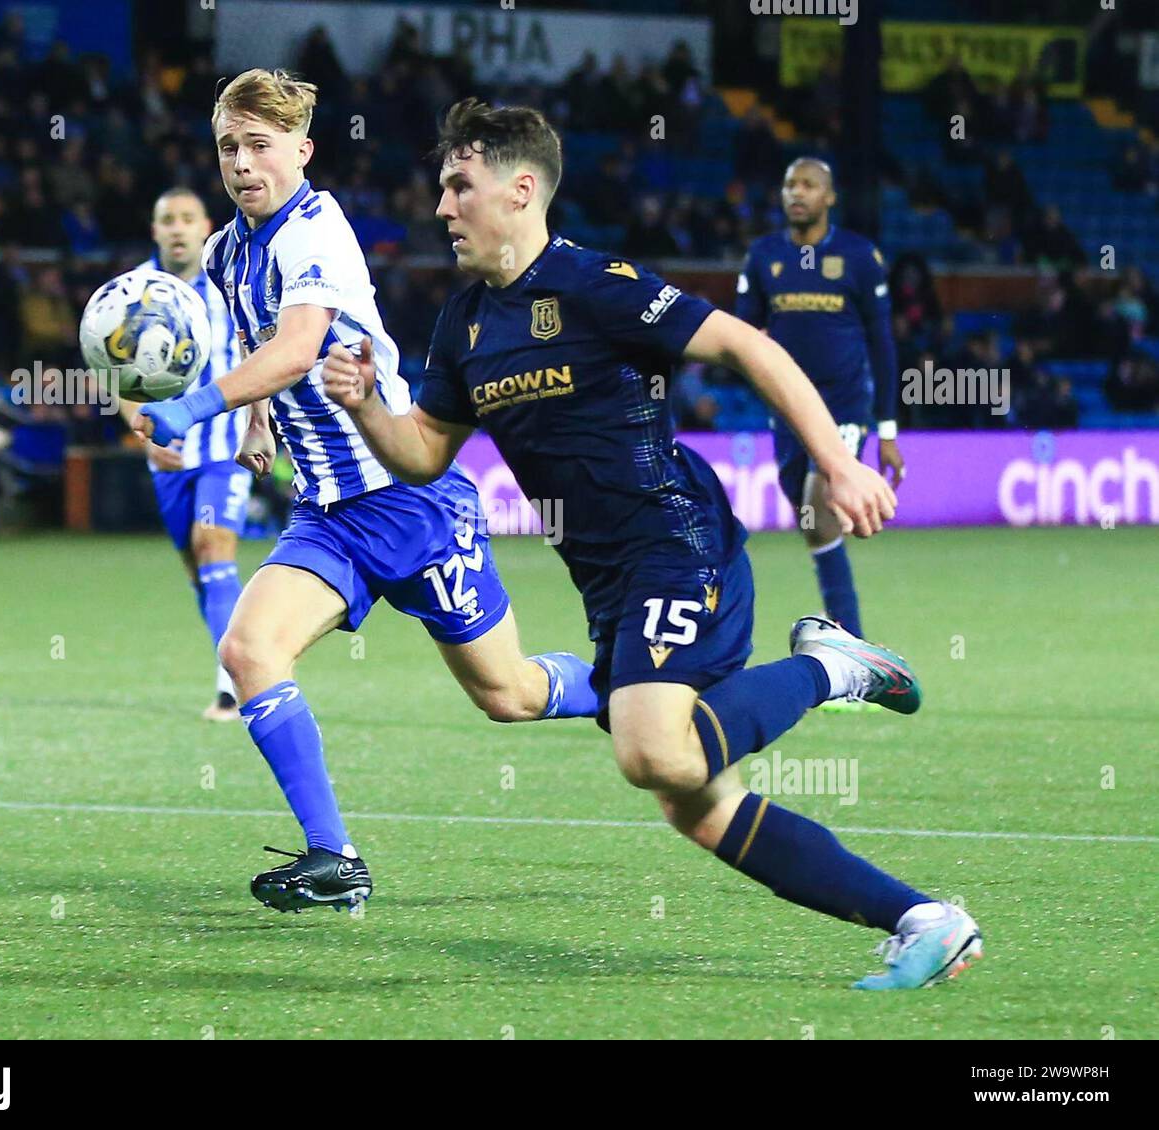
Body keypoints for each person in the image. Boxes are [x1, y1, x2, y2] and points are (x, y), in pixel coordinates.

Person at [321, 99, 982, 990]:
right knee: (696, 806)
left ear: (521, 190)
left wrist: (837, 462)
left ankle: (835, 667)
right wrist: (367, 405)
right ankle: (925, 919)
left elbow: (749, 345)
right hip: (608, 582)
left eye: (458, 186)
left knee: (651, 752)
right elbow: (424, 454)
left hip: (679, 542)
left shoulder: (598, 285)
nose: (442, 208)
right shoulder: (463, 324)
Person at [132, 71, 597, 914]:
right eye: (229, 147)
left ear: (301, 152)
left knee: (509, 695)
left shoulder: (318, 228)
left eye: (260, 146)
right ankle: (334, 857)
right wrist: (255, 423)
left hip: (407, 501)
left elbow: (301, 342)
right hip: (327, 516)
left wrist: (194, 406)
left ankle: (635, 685)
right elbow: (261, 342)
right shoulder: (230, 250)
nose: (241, 163)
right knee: (246, 653)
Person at [735, 159, 901, 681]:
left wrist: (888, 429)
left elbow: (882, 342)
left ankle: (851, 646)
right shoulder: (764, 257)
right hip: (786, 409)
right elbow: (741, 334)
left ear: (829, 197)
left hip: (846, 405)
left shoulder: (858, 257)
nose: (796, 193)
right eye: (789, 185)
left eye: (808, 186)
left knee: (817, 502)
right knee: (810, 522)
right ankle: (852, 642)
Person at [117, 187, 252, 721]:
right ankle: (237, 660)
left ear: (205, 226)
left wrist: (261, 424)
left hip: (224, 443)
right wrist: (137, 426)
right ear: (155, 231)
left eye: (186, 219)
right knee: (197, 568)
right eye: (166, 219)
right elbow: (115, 370)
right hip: (167, 453)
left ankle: (236, 682)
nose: (176, 228)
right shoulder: (132, 293)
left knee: (212, 545)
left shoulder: (230, 280)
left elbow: (255, 352)